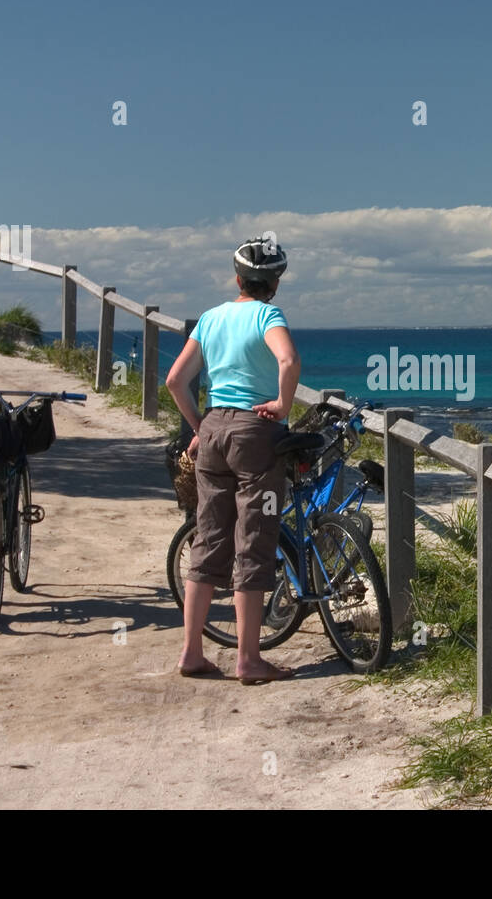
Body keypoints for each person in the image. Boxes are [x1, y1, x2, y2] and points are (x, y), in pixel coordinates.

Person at [165, 236, 300, 683]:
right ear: (274, 283)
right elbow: (288, 359)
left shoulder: (210, 318)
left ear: (237, 278)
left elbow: (175, 381)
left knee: (208, 538)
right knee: (255, 540)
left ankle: (191, 652)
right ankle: (248, 658)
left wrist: (200, 426)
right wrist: (282, 404)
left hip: (215, 431)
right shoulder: (267, 315)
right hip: (254, 433)